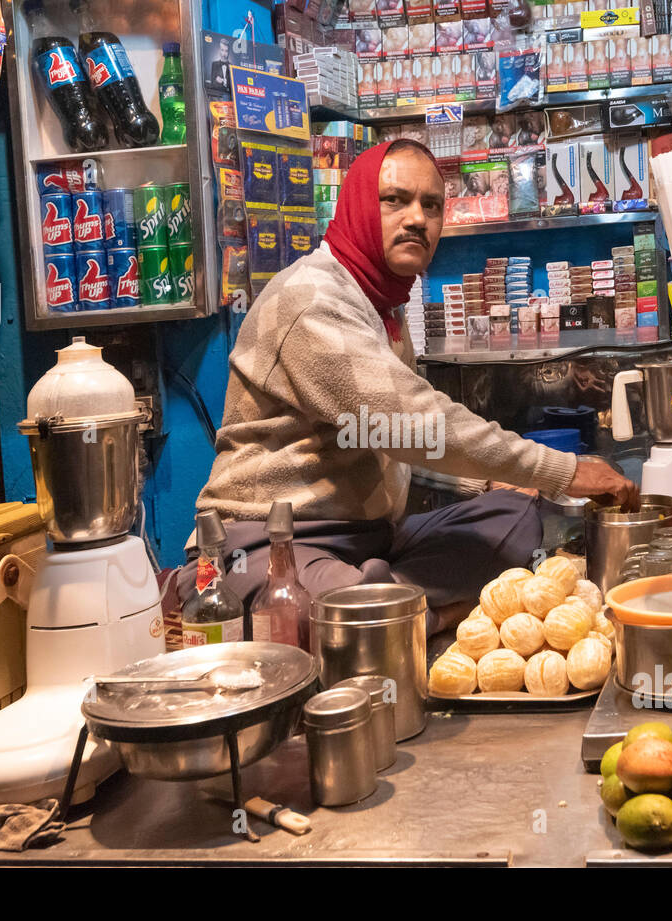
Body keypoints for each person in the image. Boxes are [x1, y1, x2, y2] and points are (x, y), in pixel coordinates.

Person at [176, 140, 638, 634]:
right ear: (355, 205)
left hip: (372, 538)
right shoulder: (311, 299)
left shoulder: (383, 306)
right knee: (339, 610)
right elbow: (413, 424)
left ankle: (386, 604)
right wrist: (563, 471)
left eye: (431, 205)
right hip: (267, 543)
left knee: (516, 515)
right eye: (394, 199)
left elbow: (392, 444)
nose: (417, 218)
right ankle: (392, 611)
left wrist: (484, 482)